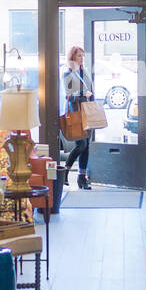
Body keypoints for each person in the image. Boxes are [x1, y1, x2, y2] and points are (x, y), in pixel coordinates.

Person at [62, 45, 94, 189]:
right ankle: (65, 172)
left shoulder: (83, 72)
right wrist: (83, 95)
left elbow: (90, 90)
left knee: (86, 147)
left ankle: (82, 178)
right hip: (75, 113)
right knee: (81, 145)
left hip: (86, 112)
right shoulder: (68, 74)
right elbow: (69, 95)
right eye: (79, 55)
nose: (82, 58)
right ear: (73, 57)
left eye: (83, 55)